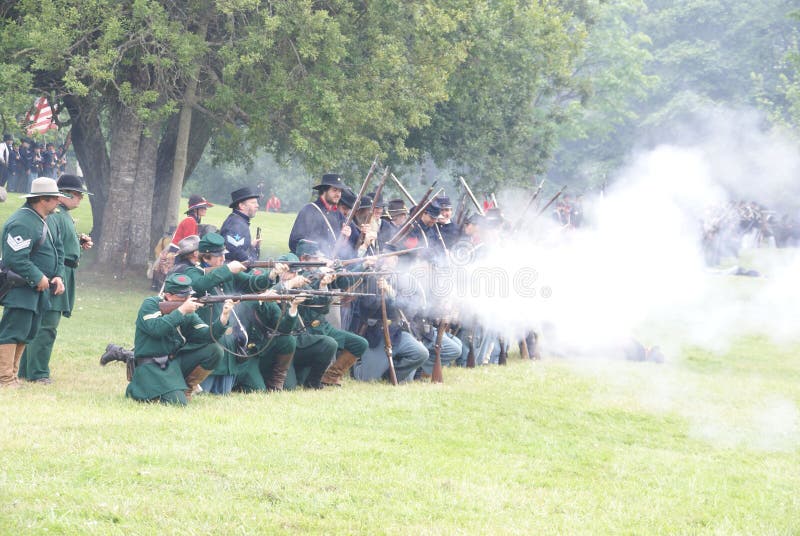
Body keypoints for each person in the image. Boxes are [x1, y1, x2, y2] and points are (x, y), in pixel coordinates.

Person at [18, 174, 93, 384]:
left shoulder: (62, 214)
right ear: (65, 194)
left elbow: (61, 243)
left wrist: (78, 242)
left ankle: (26, 370)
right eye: (78, 194)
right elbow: (49, 245)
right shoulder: (56, 214)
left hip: (63, 271)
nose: (80, 199)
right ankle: (38, 372)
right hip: (55, 274)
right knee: (47, 325)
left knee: (43, 324)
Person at [125, 273, 232, 405]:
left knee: (214, 350)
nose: (187, 299)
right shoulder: (150, 304)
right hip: (152, 367)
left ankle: (186, 388)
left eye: (188, 295)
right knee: (178, 403)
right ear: (168, 295)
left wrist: (223, 318)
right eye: (182, 296)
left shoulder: (185, 310)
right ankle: (140, 388)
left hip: (174, 363)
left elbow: (206, 335)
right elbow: (156, 329)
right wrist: (181, 311)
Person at [0, 177, 66, 388]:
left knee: (27, 331)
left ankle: (12, 375)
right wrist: (38, 277)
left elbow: (54, 251)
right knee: (12, 331)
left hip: (35, 290)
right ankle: (4, 378)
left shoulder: (40, 220)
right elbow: (15, 259)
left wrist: (56, 275)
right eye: (55, 198)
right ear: (43, 200)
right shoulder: (22, 222)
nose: (58, 201)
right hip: (20, 288)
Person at [288, 173, 359, 258]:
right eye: (335, 190)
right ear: (324, 190)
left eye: (340, 191)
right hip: (312, 266)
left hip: (331, 266)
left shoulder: (337, 215)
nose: (338, 194)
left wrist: (346, 238)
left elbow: (355, 239)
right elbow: (294, 242)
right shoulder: (308, 210)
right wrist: (315, 256)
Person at [220, 186, 261, 262]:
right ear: (241, 206)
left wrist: (251, 246)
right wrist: (252, 262)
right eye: (253, 203)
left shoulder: (238, 220)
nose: (257, 205)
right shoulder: (237, 224)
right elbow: (236, 252)